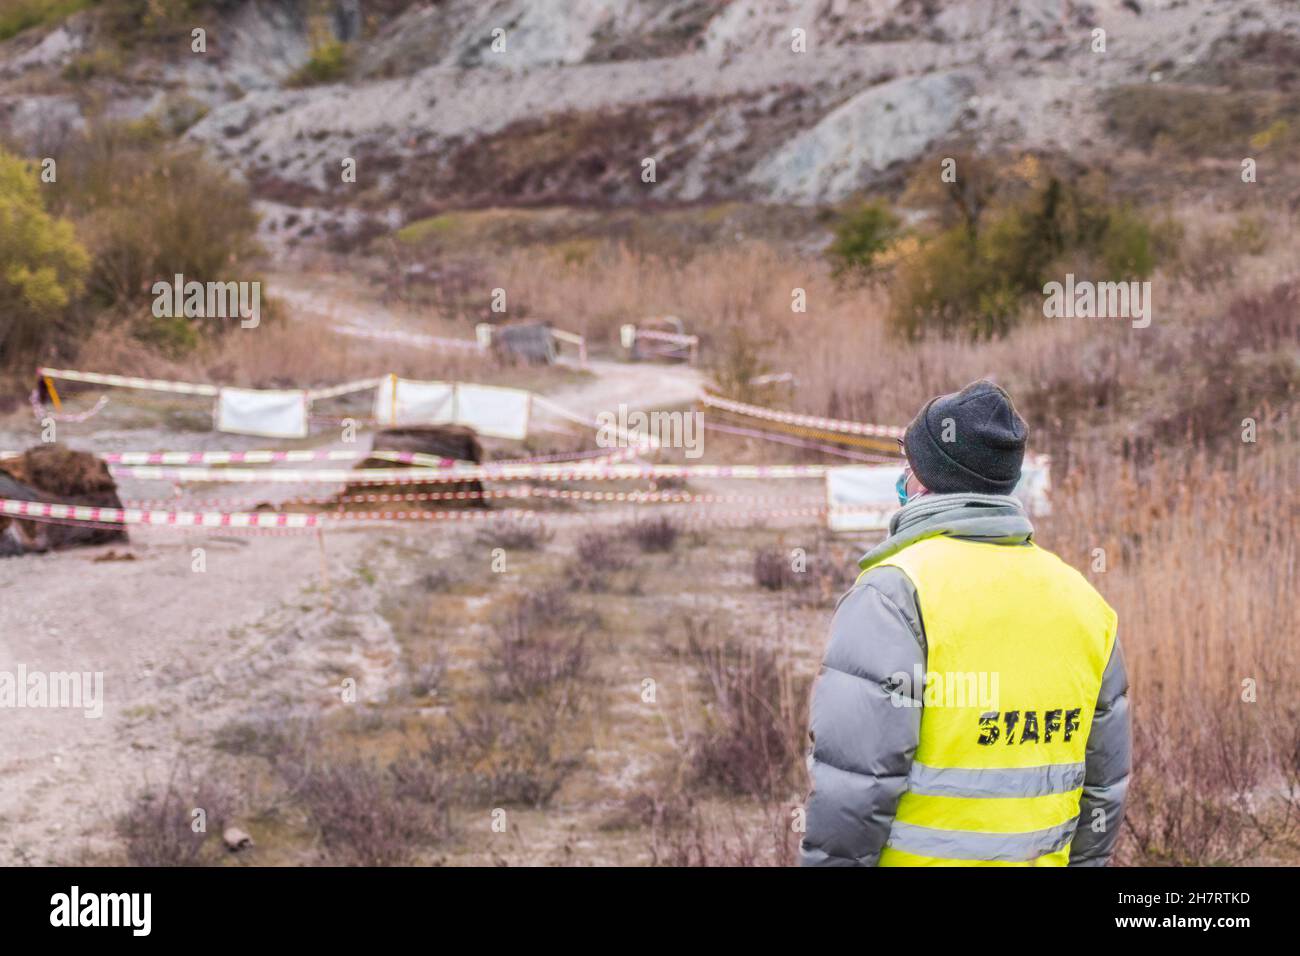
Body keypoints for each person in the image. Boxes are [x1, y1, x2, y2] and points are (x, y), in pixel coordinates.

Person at [801, 379, 1129, 866]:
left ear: (926, 478)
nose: (903, 476)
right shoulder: (1085, 602)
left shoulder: (894, 594)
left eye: (908, 463)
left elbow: (855, 790)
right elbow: (1103, 792)